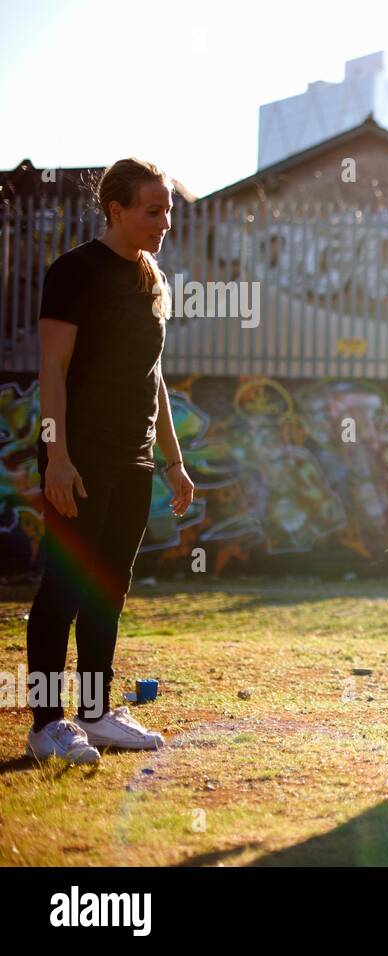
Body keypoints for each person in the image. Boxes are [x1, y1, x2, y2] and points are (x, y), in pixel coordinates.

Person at [25, 158, 195, 764]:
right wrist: (57, 457)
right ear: (116, 209)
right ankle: (46, 724)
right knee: (63, 589)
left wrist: (173, 462)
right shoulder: (73, 272)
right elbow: (53, 371)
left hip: (134, 463)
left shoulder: (155, 280)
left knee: (107, 590)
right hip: (78, 459)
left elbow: (154, 378)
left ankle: (94, 714)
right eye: (153, 210)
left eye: (169, 210)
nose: (164, 221)